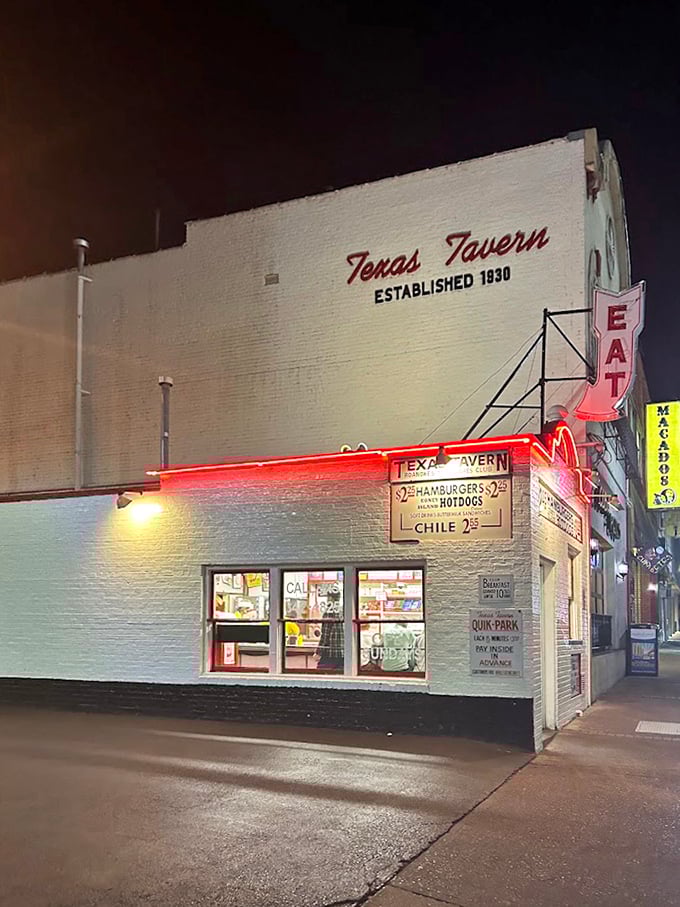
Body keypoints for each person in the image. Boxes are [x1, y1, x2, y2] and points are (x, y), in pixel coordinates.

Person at [316, 584, 343, 671]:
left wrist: (318, 652)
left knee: (321, 674)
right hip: (343, 652)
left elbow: (325, 635)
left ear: (330, 598)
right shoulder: (343, 611)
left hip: (330, 652)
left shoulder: (328, 613)